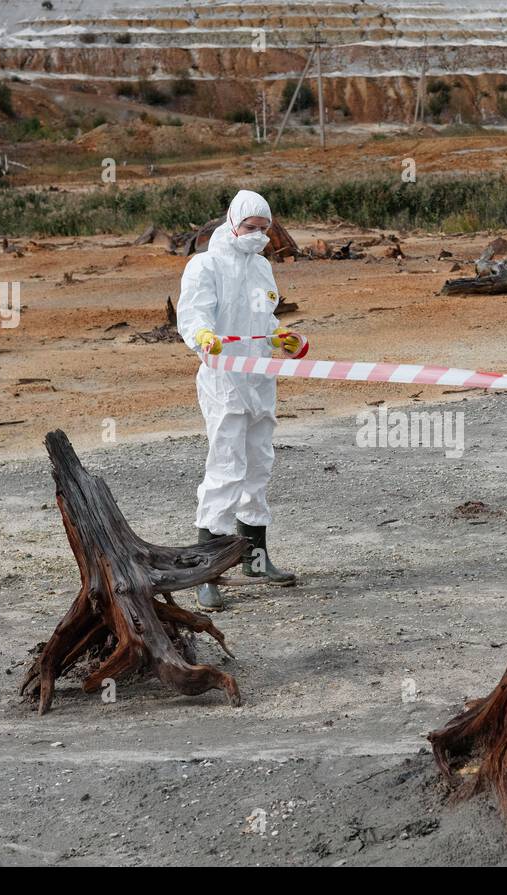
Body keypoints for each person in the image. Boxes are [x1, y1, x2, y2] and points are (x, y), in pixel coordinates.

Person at [176, 189, 303, 610]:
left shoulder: (262, 269)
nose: (258, 235)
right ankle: (205, 571)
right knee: (226, 466)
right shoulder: (205, 265)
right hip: (223, 376)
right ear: (232, 224)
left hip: (260, 377)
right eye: (251, 228)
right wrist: (203, 337)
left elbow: (263, 321)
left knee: (259, 462)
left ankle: (256, 557)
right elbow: (193, 316)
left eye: (264, 229)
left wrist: (279, 338)